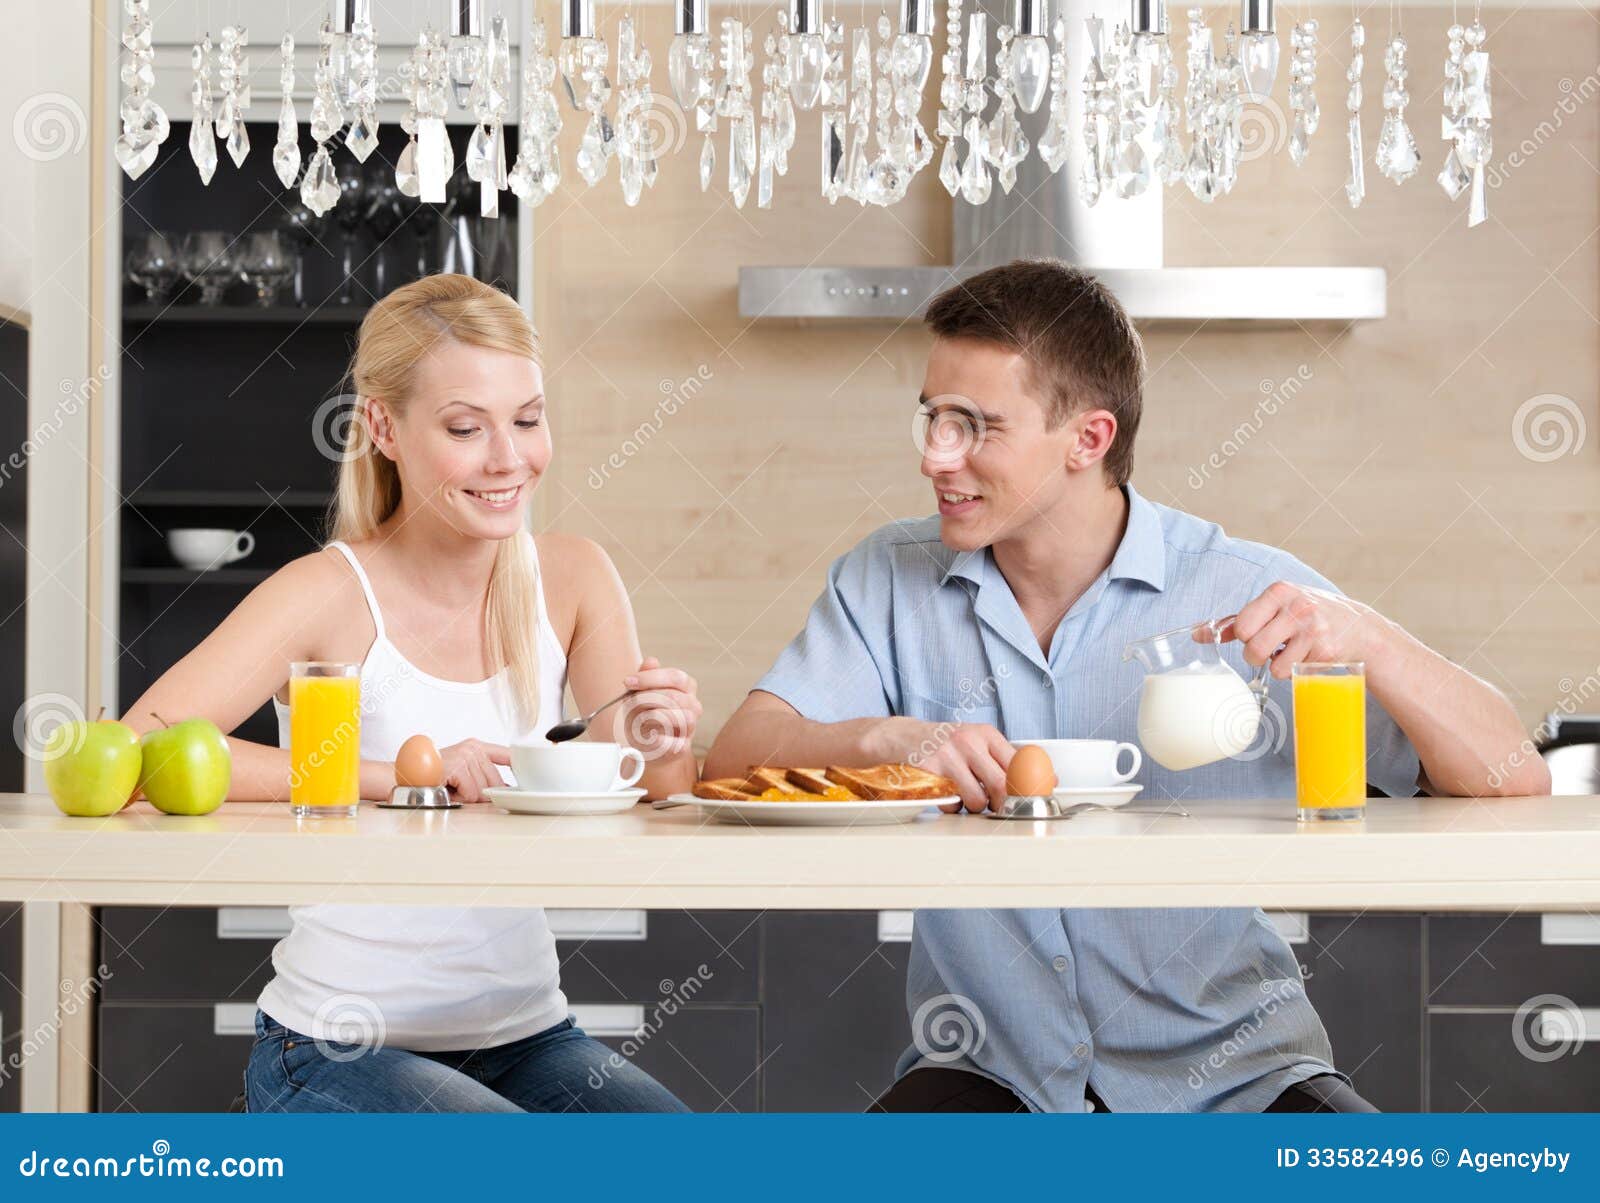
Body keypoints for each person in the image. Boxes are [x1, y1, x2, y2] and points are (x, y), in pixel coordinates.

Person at [704, 258, 1548, 1114]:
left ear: (1089, 439)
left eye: (973, 425)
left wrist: (1367, 633)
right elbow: (731, 758)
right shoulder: (889, 580)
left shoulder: (1243, 594)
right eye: (931, 417)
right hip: (991, 1079)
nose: (934, 454)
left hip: (1239, 1082)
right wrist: (879, 740)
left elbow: (1514, 772)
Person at [123, 274, 700, 1113]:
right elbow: (147, 749)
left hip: (528, 1035)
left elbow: (657, 790)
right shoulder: (325, 591)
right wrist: (402, 777)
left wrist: (665, 735)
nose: (509, 458)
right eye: (467, 427)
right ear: (383, 428)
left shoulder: (574, 577)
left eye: (529, 419)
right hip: (334, 1049)